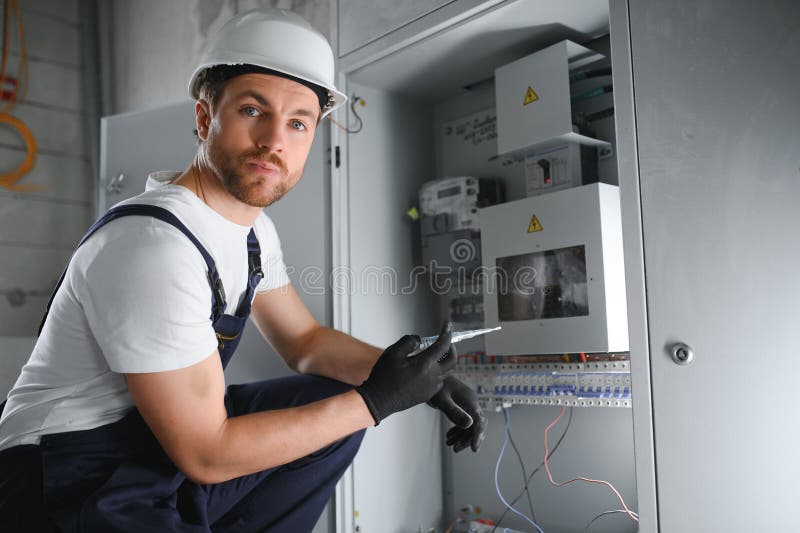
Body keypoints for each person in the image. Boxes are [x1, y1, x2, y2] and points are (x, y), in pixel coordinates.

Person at [0, 8, 487, 532]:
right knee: (344, 411)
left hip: (150, 445)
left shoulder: (252, 234)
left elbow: (305, 343)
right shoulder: (154, 247)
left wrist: (417, 376)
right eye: (254, 111)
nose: (274, 140)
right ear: (206, 117)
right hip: (63, 474)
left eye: (298, 123)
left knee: (328, 406)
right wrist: (375, 401)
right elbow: (205, 454)